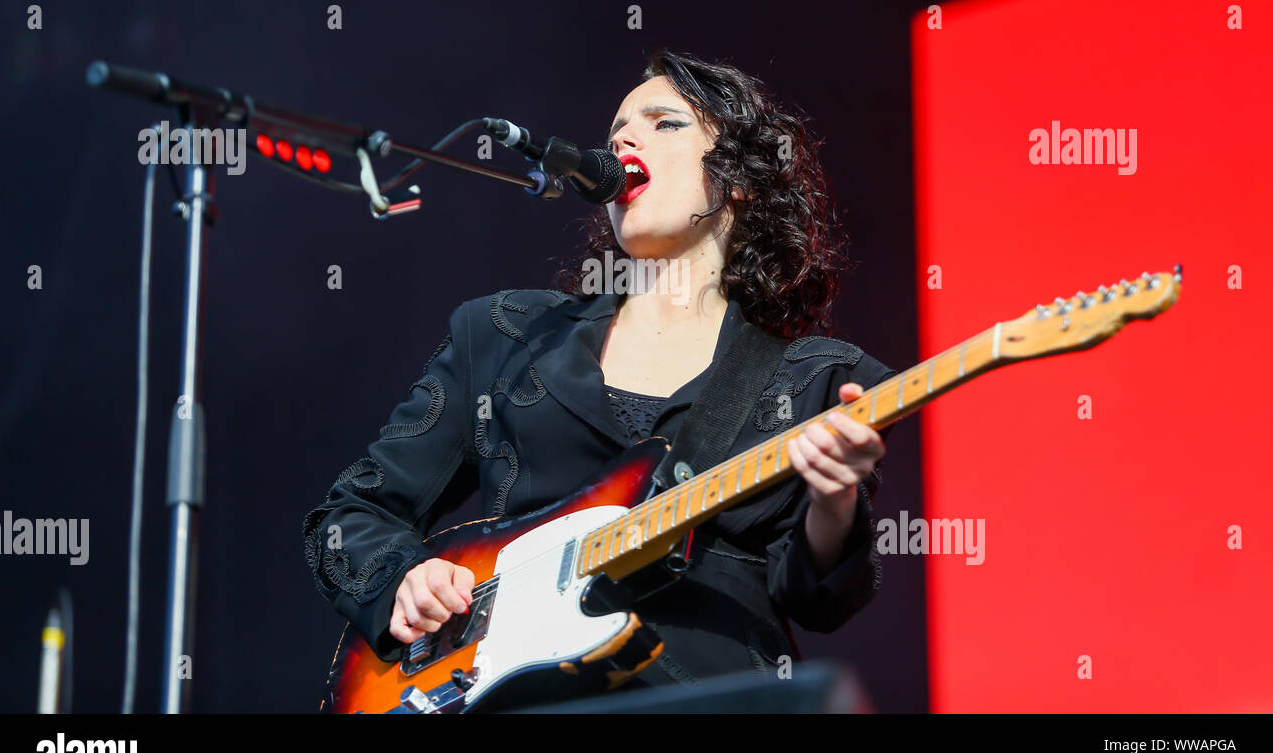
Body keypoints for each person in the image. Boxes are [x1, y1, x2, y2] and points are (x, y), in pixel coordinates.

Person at [302, 48, 895, 702]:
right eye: (616, 133)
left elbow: (817, 599)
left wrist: (835, 500)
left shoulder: (812, 376)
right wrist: (403, 580)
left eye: (664, 123)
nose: (623, 139)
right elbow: (353, 511)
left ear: (740, 179)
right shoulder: (507, 336)